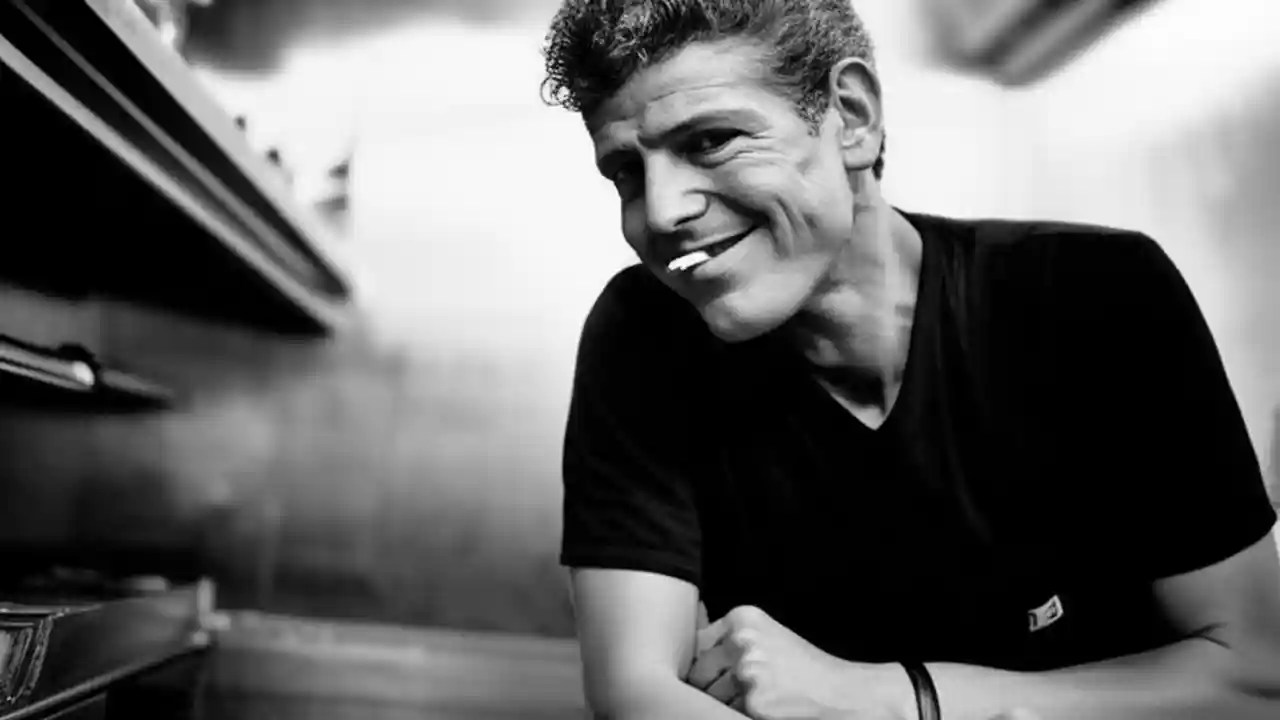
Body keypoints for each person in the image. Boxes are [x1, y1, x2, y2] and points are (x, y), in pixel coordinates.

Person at [541, 1, 1280, 718]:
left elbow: (1252, 676)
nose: (661, 212)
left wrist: (896, 697)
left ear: (852, 118)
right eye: (626, 174)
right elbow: (636, 692)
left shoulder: (1093, 296)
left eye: (711, 141)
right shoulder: (644, 334)